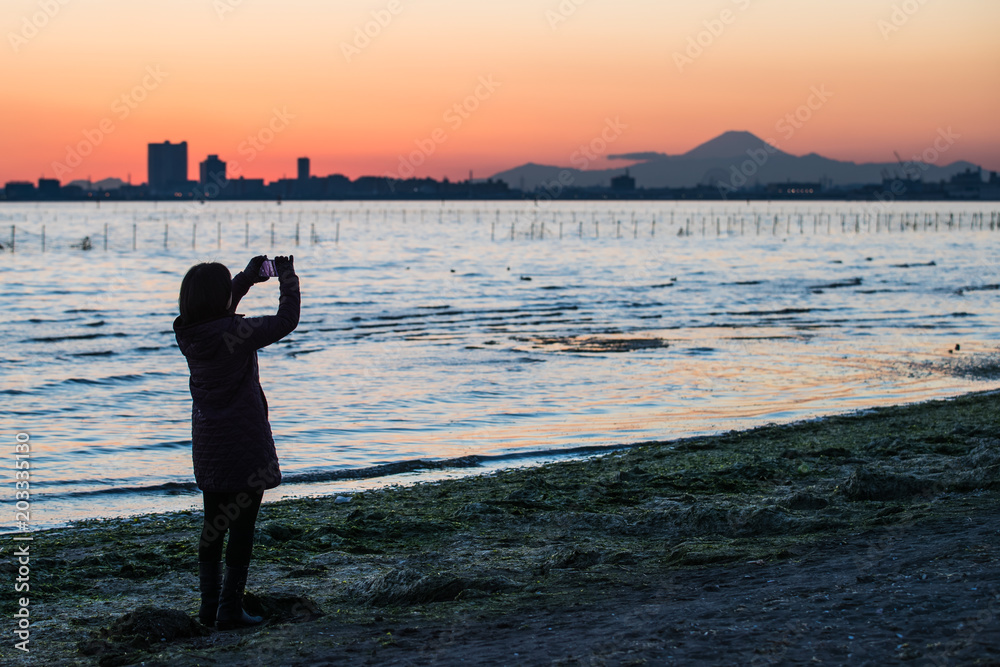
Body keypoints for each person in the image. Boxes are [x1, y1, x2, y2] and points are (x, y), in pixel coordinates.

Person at [173, 254, 300, 629]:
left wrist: (244, 280)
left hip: (209, 448)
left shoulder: (189, 335)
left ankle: (208, 608)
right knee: (242, 527)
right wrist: (287, 279)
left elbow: (216, 310)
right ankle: (230, 608)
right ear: (221, 299)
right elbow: (285, 321)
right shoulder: (236, 333)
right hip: (245, 446)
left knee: (213, 525)